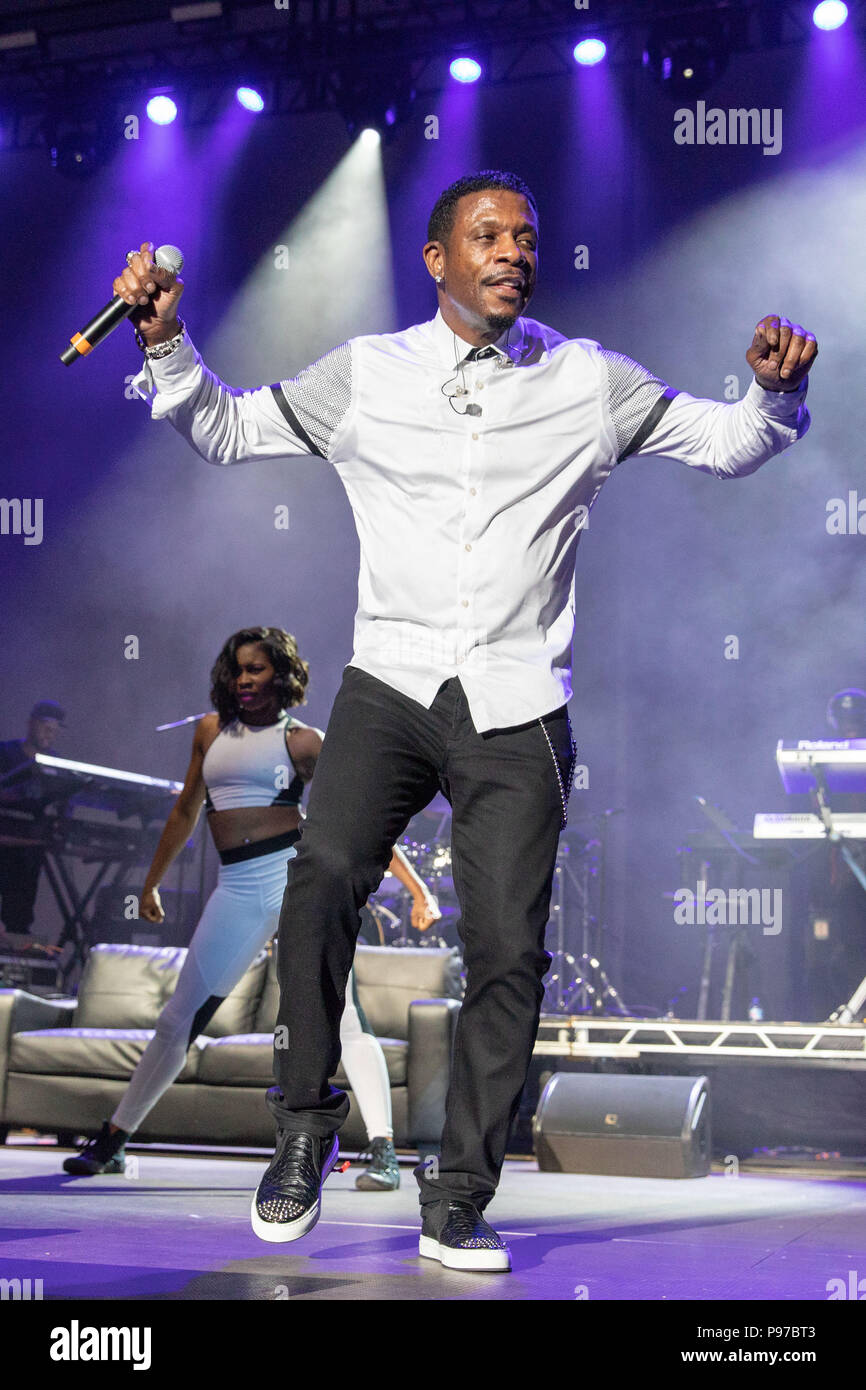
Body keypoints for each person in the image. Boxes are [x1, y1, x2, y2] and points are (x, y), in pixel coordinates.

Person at [117, 168, 817, 1271]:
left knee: (508, 955)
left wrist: (771, 398)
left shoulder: (589, 380)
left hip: (517, 701)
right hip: (390, 685)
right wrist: (165, 344)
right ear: (437, 258)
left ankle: (457, 1199)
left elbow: (725, 440)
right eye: (487, 235)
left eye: (526, 237)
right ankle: (303, 1131)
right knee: (322, 878)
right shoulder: (367, 374)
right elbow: (226, 430)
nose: (512, 251)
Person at [63, 628, 439, 1191]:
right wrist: (151, 884)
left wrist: (418, 890)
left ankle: (383, 1151)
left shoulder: (303, 741)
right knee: (178, 1018)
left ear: (282, 677)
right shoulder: (210, 732)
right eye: (237, 669)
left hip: (296, 882)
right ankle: (114, 1139)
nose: (244, 679)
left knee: (344, 1017)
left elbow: (359, 821)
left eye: (257, 669)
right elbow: (186, 809)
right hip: (236, 888)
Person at [0, 700, 66, 948]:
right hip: (4, 835)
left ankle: (14, 962)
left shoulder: (57, 762)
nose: (50, 733)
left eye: (55, 729)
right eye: (45, 727)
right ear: (31, 724)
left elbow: (65, 799)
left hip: (29, 844)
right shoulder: (5, 752)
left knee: (19, 914)